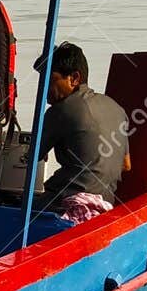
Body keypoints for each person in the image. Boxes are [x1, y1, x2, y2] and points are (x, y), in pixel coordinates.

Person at [35, 41, 130, 222]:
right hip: (106, 201)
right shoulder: (116, 108)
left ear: (74, 78)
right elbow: (126, 165)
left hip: (64, 203)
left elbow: (32, 157)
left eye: (50, 79)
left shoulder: (60, 110)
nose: (44, 88)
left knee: (11, 206)